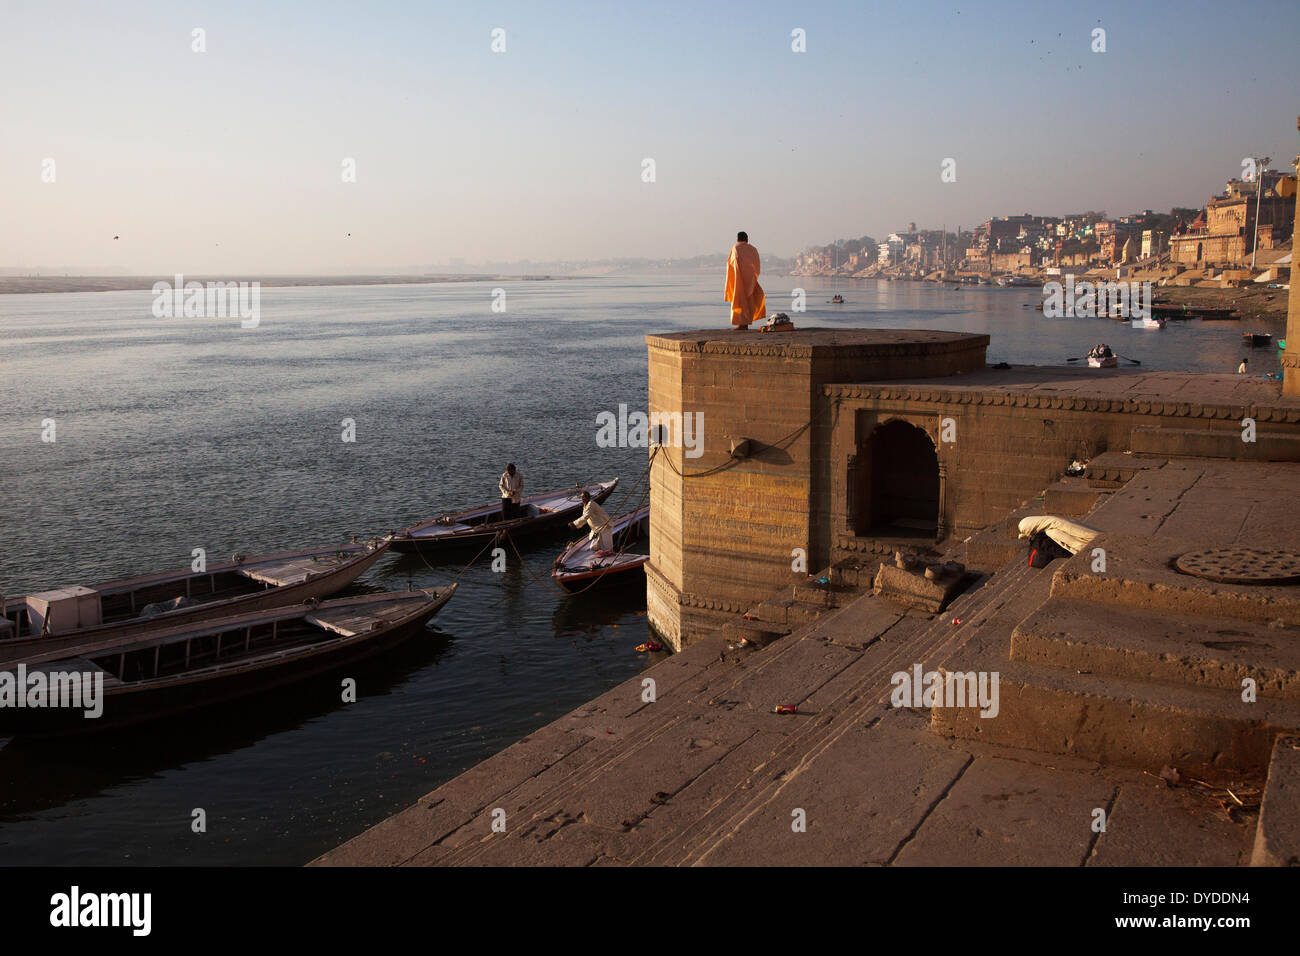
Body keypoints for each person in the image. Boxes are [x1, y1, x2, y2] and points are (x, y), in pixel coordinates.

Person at [724, 231, 766, 330]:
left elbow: (731, 263)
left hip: (738, 278)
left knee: (739, 301)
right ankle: (745, 324)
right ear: (746, 239)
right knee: (748, 302)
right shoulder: (752, 249)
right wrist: (753, 276)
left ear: (737, 239)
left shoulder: (735, 248)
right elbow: (756, 263)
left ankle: (742, 324)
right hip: (750, 279)